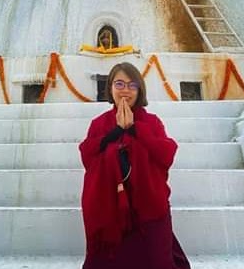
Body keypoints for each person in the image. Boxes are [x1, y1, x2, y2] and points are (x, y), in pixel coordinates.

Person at [78, 62, 190, 269]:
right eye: (119, 84)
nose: (125, 90)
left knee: (156, 260)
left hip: (148, 205)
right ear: (110, 87)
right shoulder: (99, 124)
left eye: (132, 85)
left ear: (140, 90)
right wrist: (113, 134)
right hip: (109, 207)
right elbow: (87, 156)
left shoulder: (152, 122)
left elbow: (166, 154)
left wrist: (134, 129)